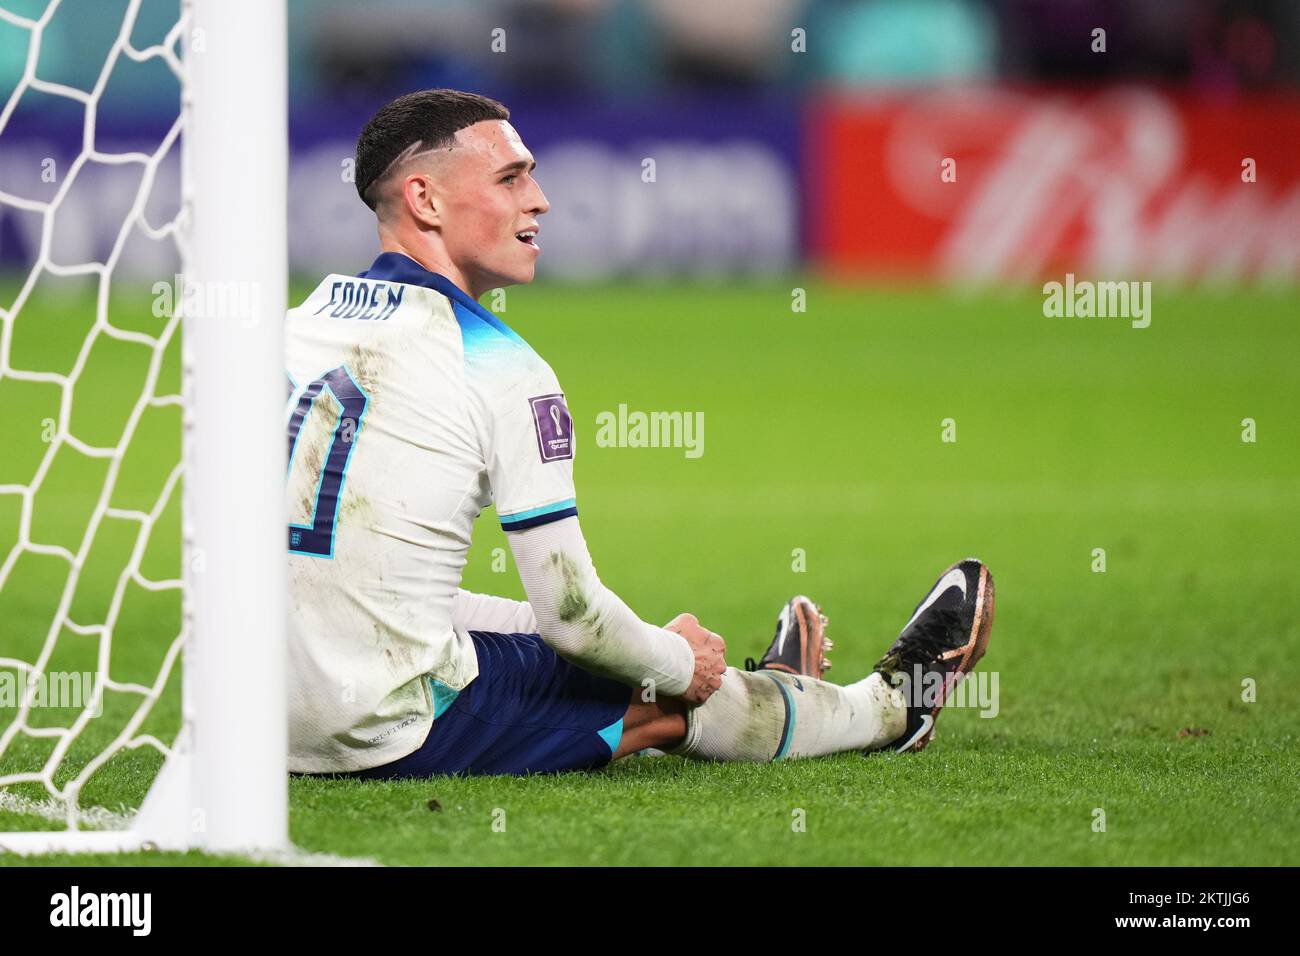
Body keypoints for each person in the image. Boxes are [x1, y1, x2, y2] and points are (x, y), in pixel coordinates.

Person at [284, 89, 995, 778]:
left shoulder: (298, 326)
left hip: (262, 718)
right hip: (381, 729)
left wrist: (650, 645)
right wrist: (681, 665)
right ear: (425, 199)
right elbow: (572, 617)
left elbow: (348, 577)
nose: (540, 199)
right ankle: (892, 711)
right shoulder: (503, 368)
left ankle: (775, 688)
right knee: (661, 692)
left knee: (633, 651)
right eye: (511, 177)